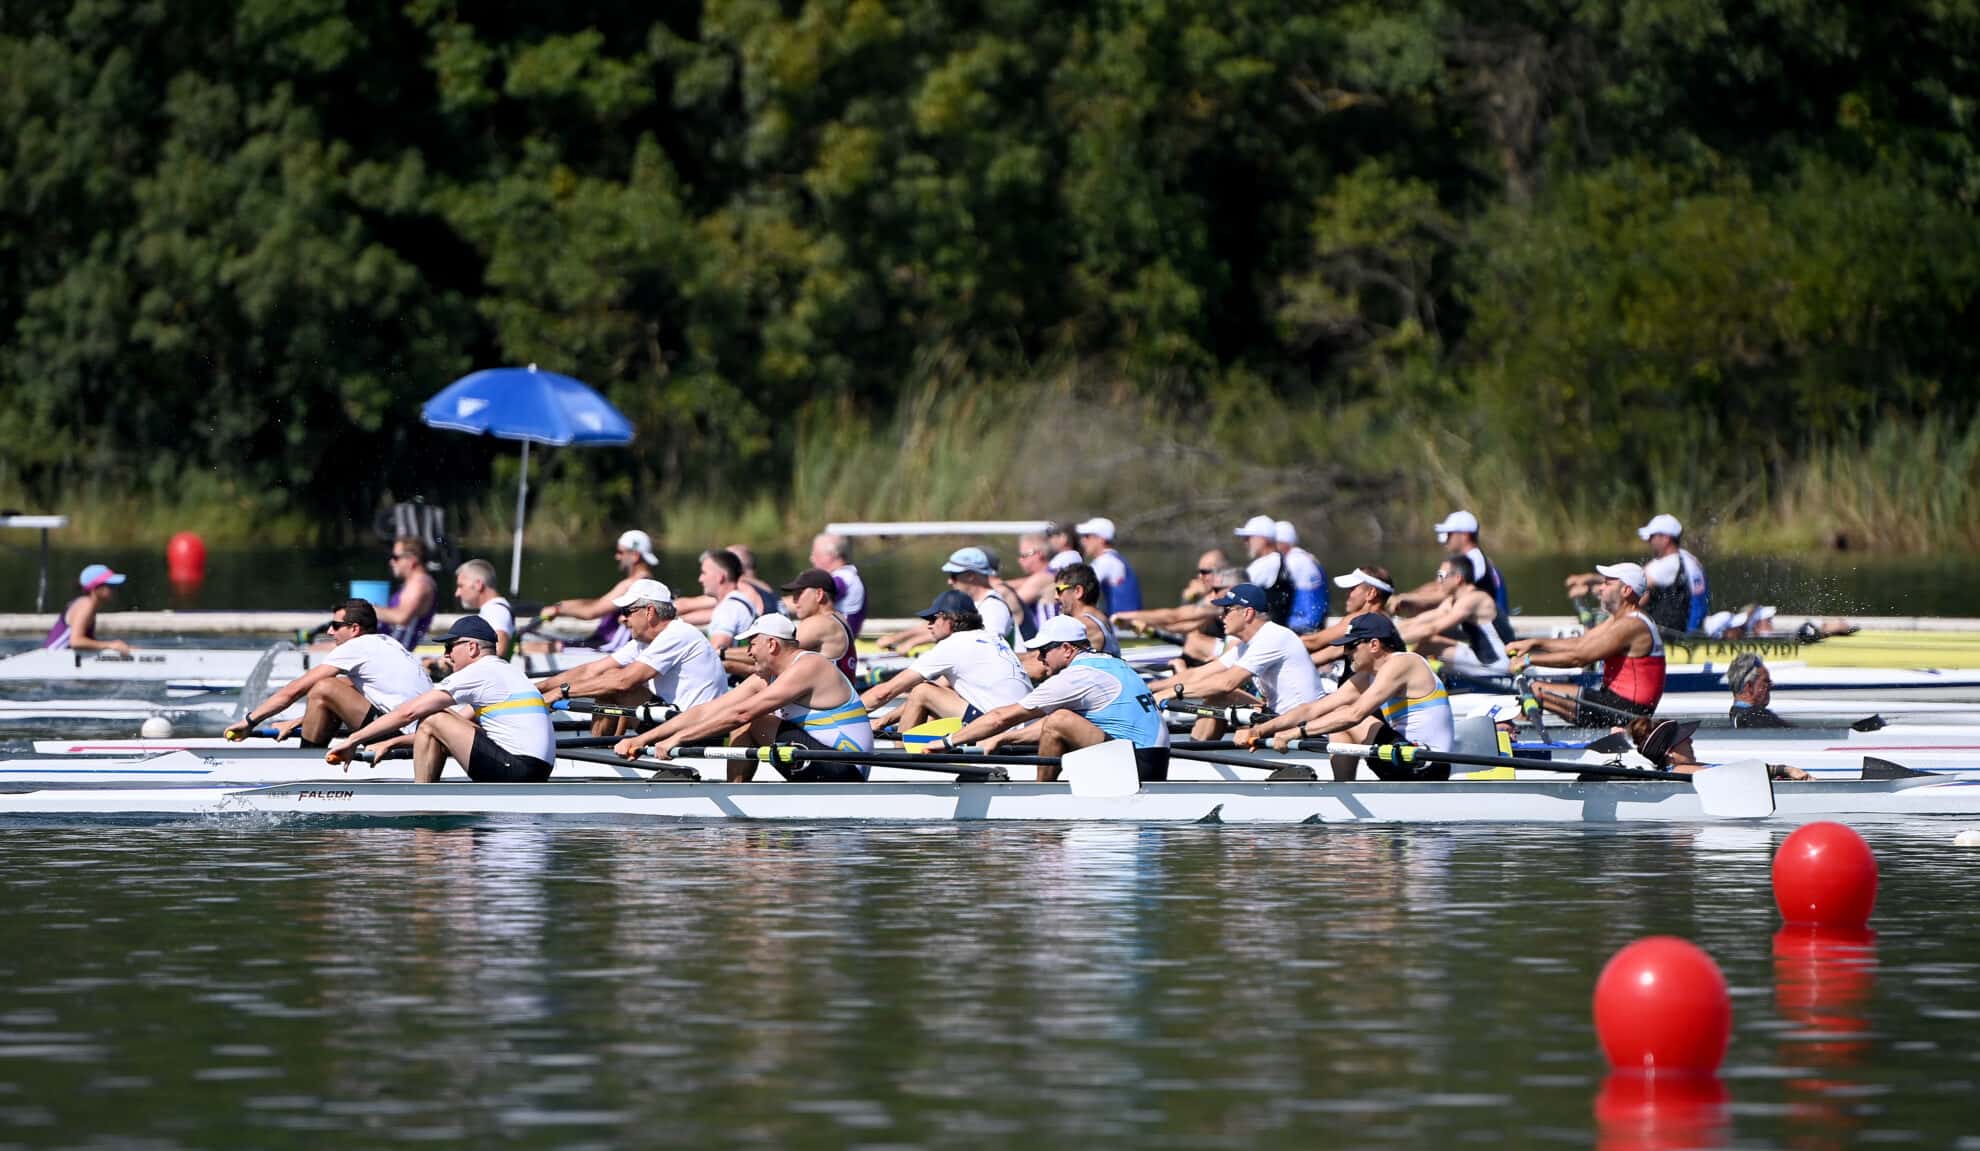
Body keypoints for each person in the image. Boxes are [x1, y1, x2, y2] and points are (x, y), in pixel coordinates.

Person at [613, 614, 874, 782]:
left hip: (847, 768)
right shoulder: (765, 678)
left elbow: (741, 714)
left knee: (751, 721)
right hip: (819, 758)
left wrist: (678, 740)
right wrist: (642, 739)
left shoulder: (809, 666)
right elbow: (705, 712)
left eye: (751, 644)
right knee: (743, 719)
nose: (748, 652)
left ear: (772, 645)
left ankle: (737, 797)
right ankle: (735, 792)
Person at [939, 615, 1171, 782]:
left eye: (1044, 650)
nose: (1039, 658)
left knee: (1058, 719)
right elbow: (1036, 727)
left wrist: (948, 742)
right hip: (1154, 759)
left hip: (1136, 766)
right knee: (1058, 720)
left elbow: (1001, 717)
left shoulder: (1076, 678)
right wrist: (1005, 739)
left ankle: (1042, 793)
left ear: (1068, 649)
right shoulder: (1111, 662)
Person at [328, 617, 555, 782]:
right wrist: (391, 742)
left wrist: (353, 740)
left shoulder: (479, 673)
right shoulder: (509, 672)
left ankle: (423, 799)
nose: (446, 656)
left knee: (432, 717)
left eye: (449, 647)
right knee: (441, 718)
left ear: (472, 647)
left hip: (517, 769)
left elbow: (409, 713)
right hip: (538, 769)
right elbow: (459, 725)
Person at [1235, 613, 1455, 781]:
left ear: (1374, 645)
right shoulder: (1367, 676)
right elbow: (1311, 709)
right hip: (1399, 757)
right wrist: (1260, 730)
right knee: (1335, 714)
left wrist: (1295, 733)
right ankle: (1343, 791)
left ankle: (1343, 793)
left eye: (1351, 646)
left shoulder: (1403, 662)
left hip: (1427, 764)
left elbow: (1355, 715)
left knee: (1343, 717)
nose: (1347, 653)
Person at [226, 598, 431, 747]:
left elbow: (295, 690)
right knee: (338, 685)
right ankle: (313, 742)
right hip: (421, 731)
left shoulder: (355, 647)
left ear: (355, 629)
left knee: (324, 687)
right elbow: (347, 694)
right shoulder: (389, 643)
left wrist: (250, 721)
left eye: (335, 626)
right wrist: (298, 721)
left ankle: (305, 765)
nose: (330, 632)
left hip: (405, 735)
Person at [533, 579, 727, 736]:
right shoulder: (645, 641)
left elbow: (624, 681)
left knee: (616, 682)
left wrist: (562, 692)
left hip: (694, 731)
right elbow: (591, 670)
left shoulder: (677, 634)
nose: (622, 619)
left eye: (627, 611)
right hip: (671, 718)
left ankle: (599, 751)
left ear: (649, 611)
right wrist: (536, 688)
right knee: (608, 678)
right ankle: (601, 747)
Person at [1144, 583, 1326, 739]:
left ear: (1247, 613)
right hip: (1278, 715)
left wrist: (1173, 693)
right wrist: (1150, 689)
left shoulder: (1274, 637)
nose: (1221, 617)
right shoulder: (1246, 645)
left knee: (1219, 694)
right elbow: (1198, 673)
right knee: (1218, 696)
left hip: (1303, 723)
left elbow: (1226, 683)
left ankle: (1193, 757)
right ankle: (1198, 750)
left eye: (1227, 610)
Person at [1507, 562, 1666, 726]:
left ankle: (1521, 738)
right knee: (1535, 690)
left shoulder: (1632, 625)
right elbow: (1581, 643)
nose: (1600, 588)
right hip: (1615, 702)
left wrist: (1527, 660)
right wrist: (1534, 643)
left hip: (1627, 712)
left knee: (1535, 691)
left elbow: (1580, 658)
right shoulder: (1620, 619)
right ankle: (1525, 733)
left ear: (1626, 590)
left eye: (1607, 583)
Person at [860, 591, 1032, 728]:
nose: (929, 625)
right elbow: (939, 690)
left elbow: (885, 692)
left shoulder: (953, 644)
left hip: (1000, 725)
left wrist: (844, 715)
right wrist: (883, 721)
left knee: (922, 691)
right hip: (1022, 723)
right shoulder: (992, 638)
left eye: (933, 618)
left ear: (951, 619)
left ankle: (900, 758)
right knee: (933, 697)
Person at [1565, 513, 1709, 634]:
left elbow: (1633, 586)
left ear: (1666, 538)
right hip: (1690, 628)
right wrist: (1590, 579)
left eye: (1652, 537)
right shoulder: (1687, 558)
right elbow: (1631, 578)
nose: (1648, 541)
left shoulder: (1666, 565)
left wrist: (1591, 589)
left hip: (1672, 634)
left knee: (1622, 605)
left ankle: (1595, 635)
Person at [536, 530, 661, 652]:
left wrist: (557, 610)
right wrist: (562, 604)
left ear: (635, 556)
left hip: (610, 646)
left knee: (536, 647)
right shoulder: (646, 581)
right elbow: (599, 603)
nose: (617, 556)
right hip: (603, 640)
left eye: (620, 552)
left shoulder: (633, 584)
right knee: (539, 645)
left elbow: (591, 612)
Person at [1397, 511, 1513, 640]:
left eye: (1449, 534)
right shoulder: (1453, 562)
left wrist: (1407, 599)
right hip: (1461, 613)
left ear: (1464, 535)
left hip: (1486, 623)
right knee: (1419, 604)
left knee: (1424, 605)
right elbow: (1438, 584)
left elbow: (1442, 594)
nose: (1445, 539)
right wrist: (1409, 597)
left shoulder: (1475, 561)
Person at [878, 547, 1016, 652]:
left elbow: (986, 649)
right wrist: (900, 638)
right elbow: (940, 625)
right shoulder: (969, 604)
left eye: (953, 575)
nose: (949, 581)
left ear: (970, 575)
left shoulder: (993, 608)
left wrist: (914, 643)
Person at [1399, 557, 1510, 679]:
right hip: (1477, 656)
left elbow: (1432, 628)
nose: (1438, 581)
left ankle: (1402, 678)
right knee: (1429, 643)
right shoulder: (1454, 600)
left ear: (1457, 578)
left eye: (1441, 575)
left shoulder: (1474, 599)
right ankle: (1406, 676)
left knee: (1428, 643)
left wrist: (1394, 638)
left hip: (1496, 666)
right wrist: (1392, 629)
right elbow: (1420, 620)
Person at [1302, 566, 1396, 660]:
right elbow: (1336, 650)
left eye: (1352, 589)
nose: (1347, 594)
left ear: (1371, 593)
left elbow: (1313, 642)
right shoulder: (1383, 619)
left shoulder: (1362, 619)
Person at [781, 567, 858, 678]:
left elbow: (773, 652)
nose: (794, 600)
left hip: (829, 694)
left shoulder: (819, 624)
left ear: (819, 594)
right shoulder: (838, 618)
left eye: (799, 593)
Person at [44, 564, 133, 654]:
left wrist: (126, 648)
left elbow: (88, 642)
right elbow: (76, 641)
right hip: (55, 657)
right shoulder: (86, 605)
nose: (114, 589)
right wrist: (110, 645)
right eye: (110, 585)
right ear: (94, 588)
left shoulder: (88, 604)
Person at [1233, 514, 1297, 626]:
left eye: (1248, 537)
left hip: (1269, 630)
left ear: (1263, 539)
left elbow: (1235, 590)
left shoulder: (1267, 563)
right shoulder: (1276, 560)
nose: (1246, 542)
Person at [376, 537, 438, 650]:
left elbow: (401, 617)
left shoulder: (419, 584)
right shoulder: (415, 583)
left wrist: (369, 610)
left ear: (411, 559)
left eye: (396, 557)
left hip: (395, 655)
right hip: (389, 651)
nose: (392, 562)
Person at [697, 548, 759, 657]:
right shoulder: (740, 601)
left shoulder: (729, 608)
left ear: (720, 577)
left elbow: (715, 651)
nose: (700, 579)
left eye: (704, 573)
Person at [1050, 562, 1119, 656]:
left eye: (1059, 590)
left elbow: (1045, 661)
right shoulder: (1100, 617)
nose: (1056, 597)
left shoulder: (1082, 625)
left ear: (1078, 591)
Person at [1076, 516, 1142, 613]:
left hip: (1122, 625)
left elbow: (1080, 586)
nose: (1083, 541)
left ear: (1101, 539)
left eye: (1087, 536)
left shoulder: (1106, 561)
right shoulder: (1113, 558)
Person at [453, 559, 516, 659]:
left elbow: (498, 652)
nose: (457, 593)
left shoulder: (496, 611)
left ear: (478, 585)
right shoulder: (492, 610)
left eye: (461, 586)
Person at [1274, 521, 1329, 633]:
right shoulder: (1308, 558)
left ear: (1283, 542)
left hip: (1300, 623)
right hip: (1316, 620)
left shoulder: (1292, 561)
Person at [809, 532, 867, 637]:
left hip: (840, 644)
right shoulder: (845, 575)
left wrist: (777, 604)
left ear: (832, 555)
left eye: (816, 554)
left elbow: (810, 600)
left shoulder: (844, 578)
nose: (811, 559)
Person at [1726, 652, 1790, 728]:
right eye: (1765, 681)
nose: (1771, 685)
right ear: (1749, 687)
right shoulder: (1760, 718)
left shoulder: (1735, 714)